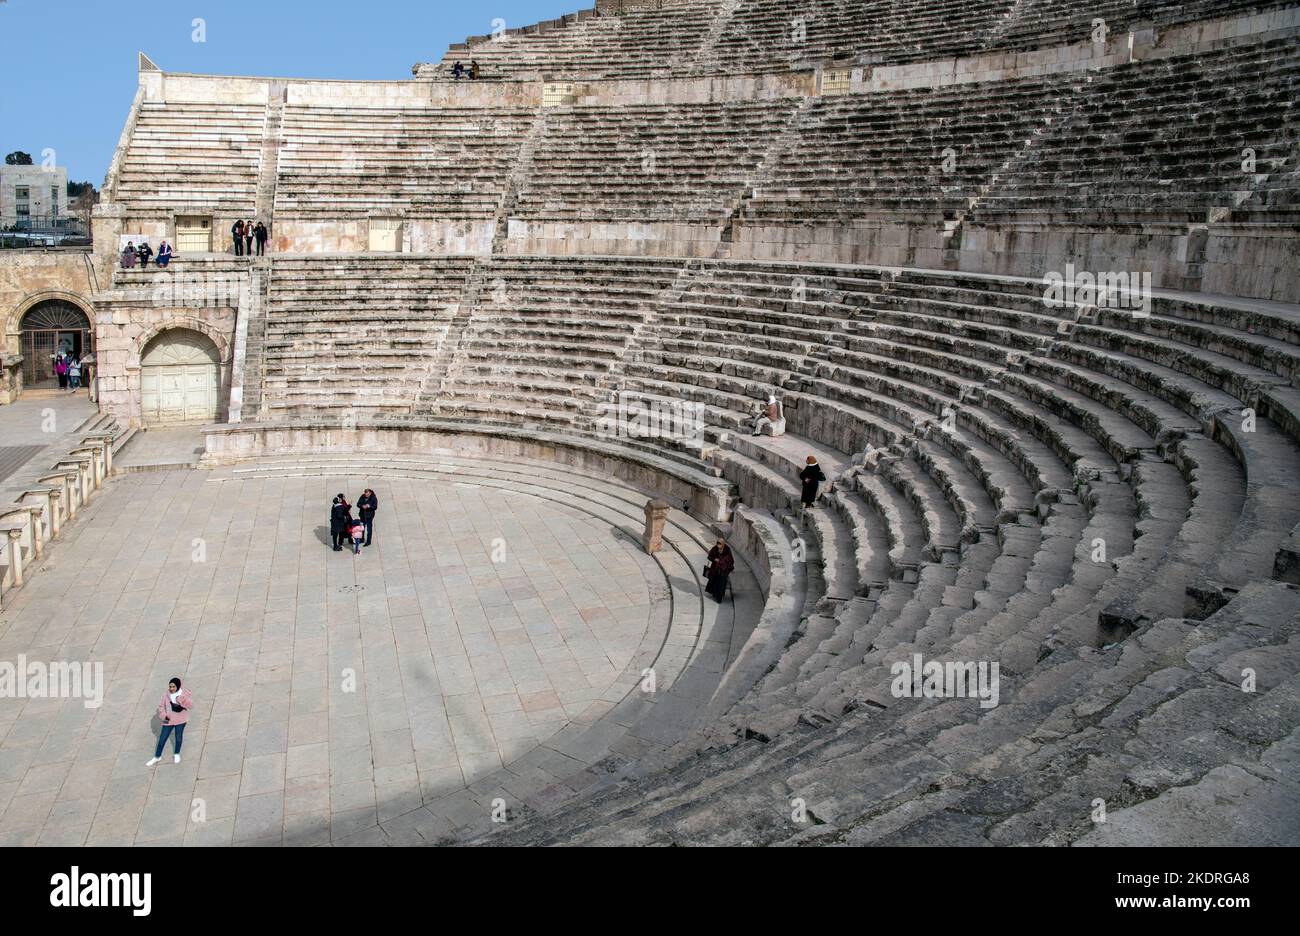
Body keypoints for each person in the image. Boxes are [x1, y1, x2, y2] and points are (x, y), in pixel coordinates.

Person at [147, 676, 193, 766]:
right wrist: (164, 715)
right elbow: (161, 706)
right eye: (170, 686)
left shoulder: (184, 694)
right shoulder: (166, 695)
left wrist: (181, 700)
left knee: (178, 737)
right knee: (162, 738)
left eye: (173, 687)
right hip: (168, 720)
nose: (171, 688)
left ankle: (176, 754)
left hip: (181, 719)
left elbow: (190, 706)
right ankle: (157, 756)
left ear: (178, 686)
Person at [704, 538, 735, 602]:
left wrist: (721, 562)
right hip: (716, 569)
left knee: (721, 584)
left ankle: (719, 598)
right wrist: (714, 559)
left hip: (724, 570)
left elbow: (730, 560)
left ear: (723, 544)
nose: (718, 545)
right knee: (715, 582)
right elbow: (709, 556)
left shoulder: (727, 549)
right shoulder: (715, 548)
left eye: (720, 544)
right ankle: (715, 594)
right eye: (718, 544)